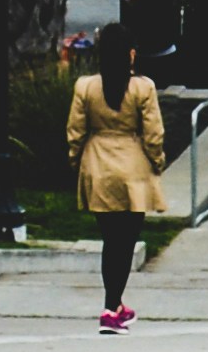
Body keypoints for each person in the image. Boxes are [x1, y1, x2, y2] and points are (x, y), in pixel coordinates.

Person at [65, 22, 170, 334]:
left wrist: (76, 163)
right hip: (133, 168)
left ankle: (117, 304)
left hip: (97, 165)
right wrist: (158, 162)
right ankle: (111, 307)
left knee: (111, 240)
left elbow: (75, 132)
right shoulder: (143, 88)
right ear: (131, 54)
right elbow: (153, 134)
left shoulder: (86, 87)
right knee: (125, 242)